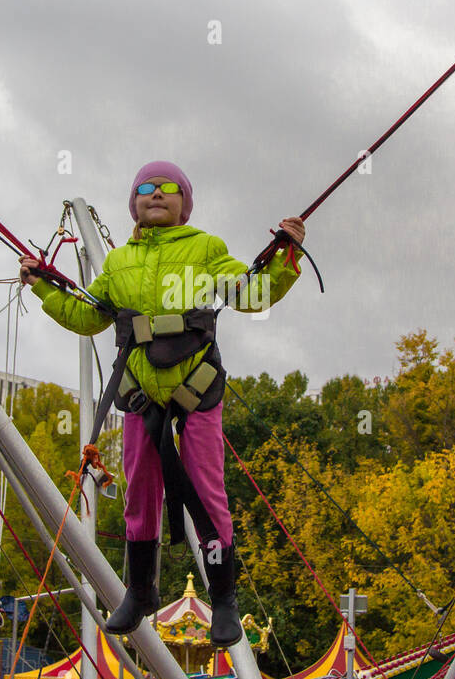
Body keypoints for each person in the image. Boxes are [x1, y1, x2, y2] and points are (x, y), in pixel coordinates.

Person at [20, 160, 304, 646]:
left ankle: (224, 599)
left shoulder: (205, 247)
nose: (157, 194)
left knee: (207, 491)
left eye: (169, 189)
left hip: (196, 384)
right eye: (146, 188)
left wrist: (285, 254)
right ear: (133, 202)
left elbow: (251, 294)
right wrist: (45, 284)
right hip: (139, 389)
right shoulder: (117, 263)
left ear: (184, 204)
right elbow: (88, 315)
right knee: (140, 492)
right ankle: (141, 589)